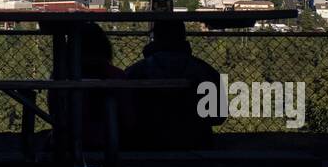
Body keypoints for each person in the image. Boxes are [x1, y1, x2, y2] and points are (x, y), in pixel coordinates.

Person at [123, 19, 224, 150]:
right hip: (196, 144)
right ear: (183, 37)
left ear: (155, 37)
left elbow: (124, 115)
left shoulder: (135, 72)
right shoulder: (205, 71)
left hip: (146, 144)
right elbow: (219, 117)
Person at [42, 20, 124, 153]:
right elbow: (128, 117)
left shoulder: (60, 75)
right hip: (110, 141)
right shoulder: (116, 76)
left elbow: (54, 109)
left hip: (66, 141)